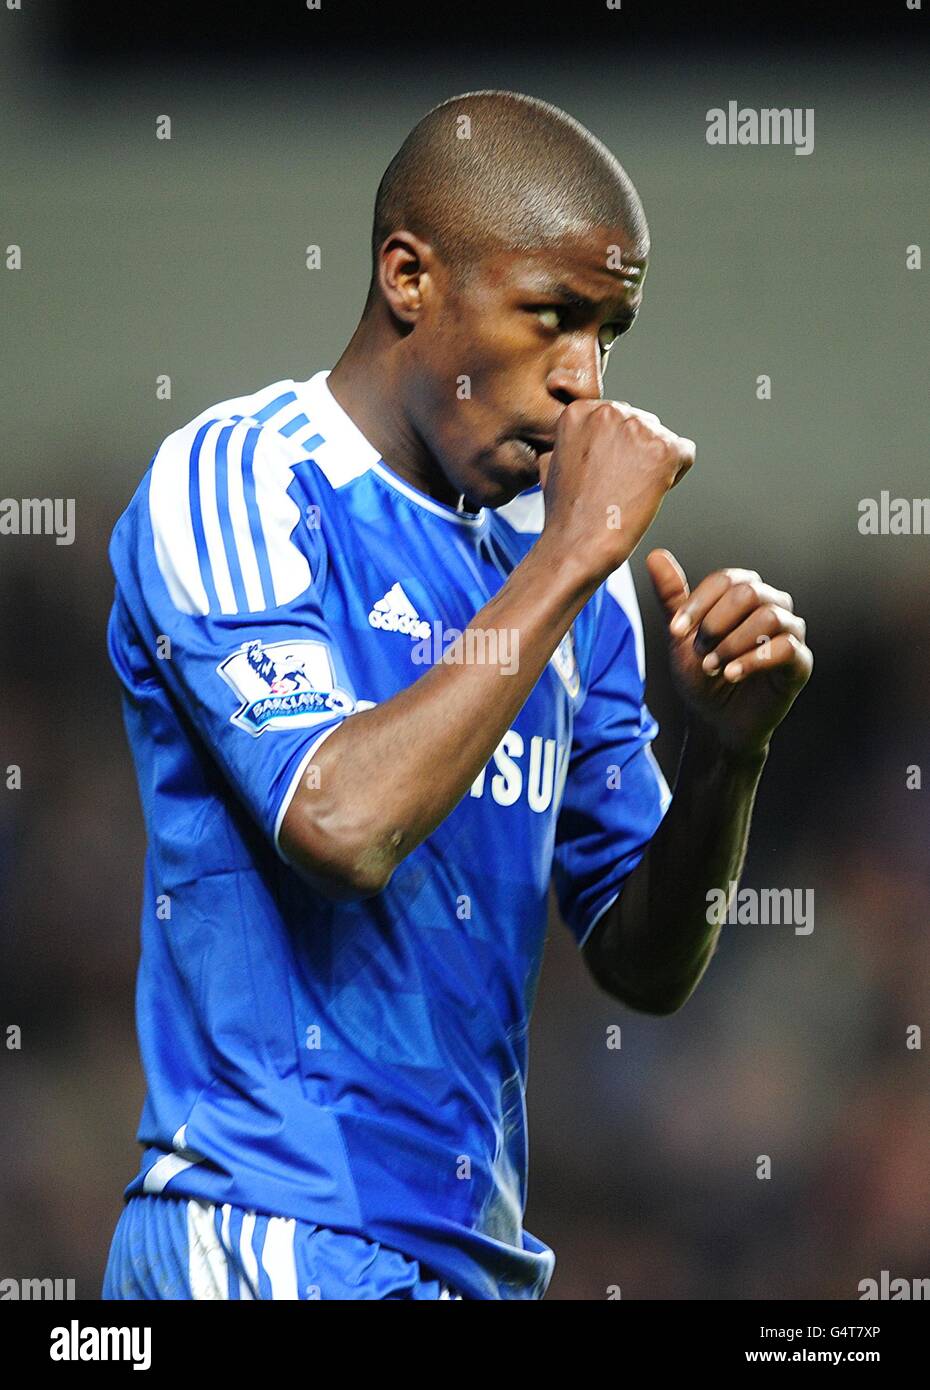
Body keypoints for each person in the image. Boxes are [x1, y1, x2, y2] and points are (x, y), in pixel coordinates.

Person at [102, 89, 812, 1301]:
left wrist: (726, 754)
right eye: (552, 317)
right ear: (409, 276)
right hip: (266, 1228)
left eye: (612, 330)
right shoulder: (243, 483)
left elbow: (644, 963)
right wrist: (570, 557)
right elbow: (338, 822)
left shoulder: (565, 580)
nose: (585, 380)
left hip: (475, 1260)